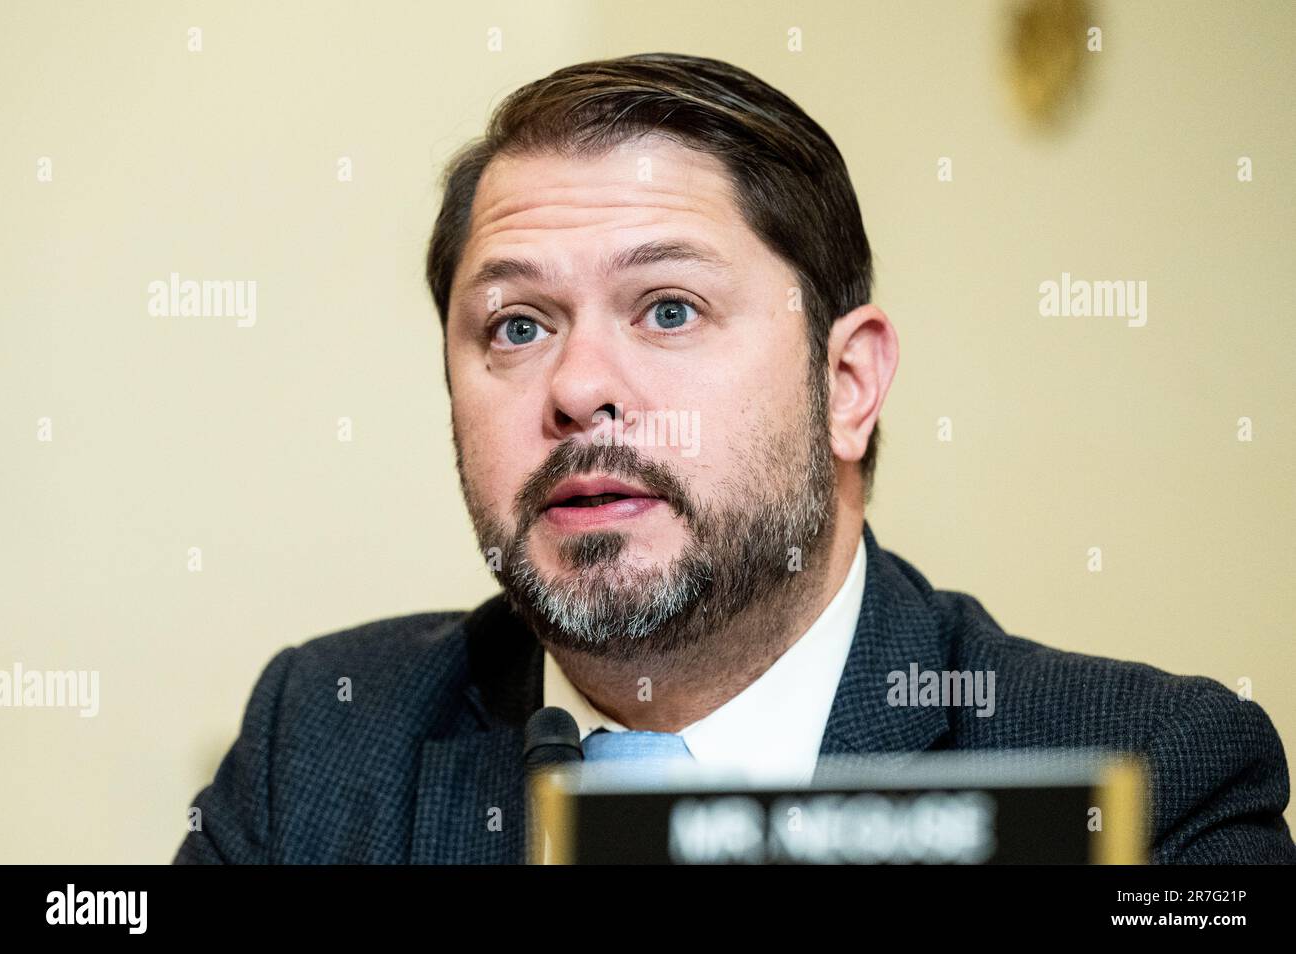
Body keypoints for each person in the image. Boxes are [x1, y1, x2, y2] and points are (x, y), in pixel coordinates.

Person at [175, 52, 1294, 864]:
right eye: (516, 326)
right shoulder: (322, 740)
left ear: (845, 384)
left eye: (667, 308)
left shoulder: (1145, 784)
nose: (575, 388)